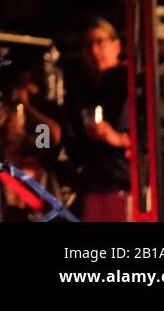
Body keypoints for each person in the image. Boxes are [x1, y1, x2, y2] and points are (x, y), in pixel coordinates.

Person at [62, 16, 132, 221]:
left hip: (123, 184)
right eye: (88, 45)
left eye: (100, 42)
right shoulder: (81, 88)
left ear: (116, 45)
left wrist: (116, 138)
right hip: (92, 185)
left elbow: (151, 136)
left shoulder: (130, 83)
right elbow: (71, 134)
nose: (94, 50)